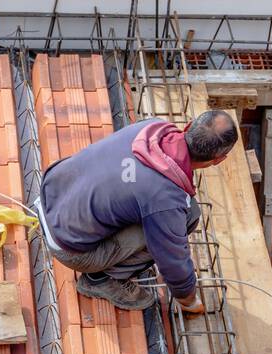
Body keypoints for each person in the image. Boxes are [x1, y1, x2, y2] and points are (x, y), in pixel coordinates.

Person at [35, 110, 238, 312]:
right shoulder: (166, 198)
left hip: (51, 192)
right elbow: (172, 260)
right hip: (67, 247)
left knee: (155, 205)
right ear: (219, 159)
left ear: (188, 125)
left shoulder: (152, 127)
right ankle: (101, 280)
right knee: (186, 216)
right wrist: (189, 300)